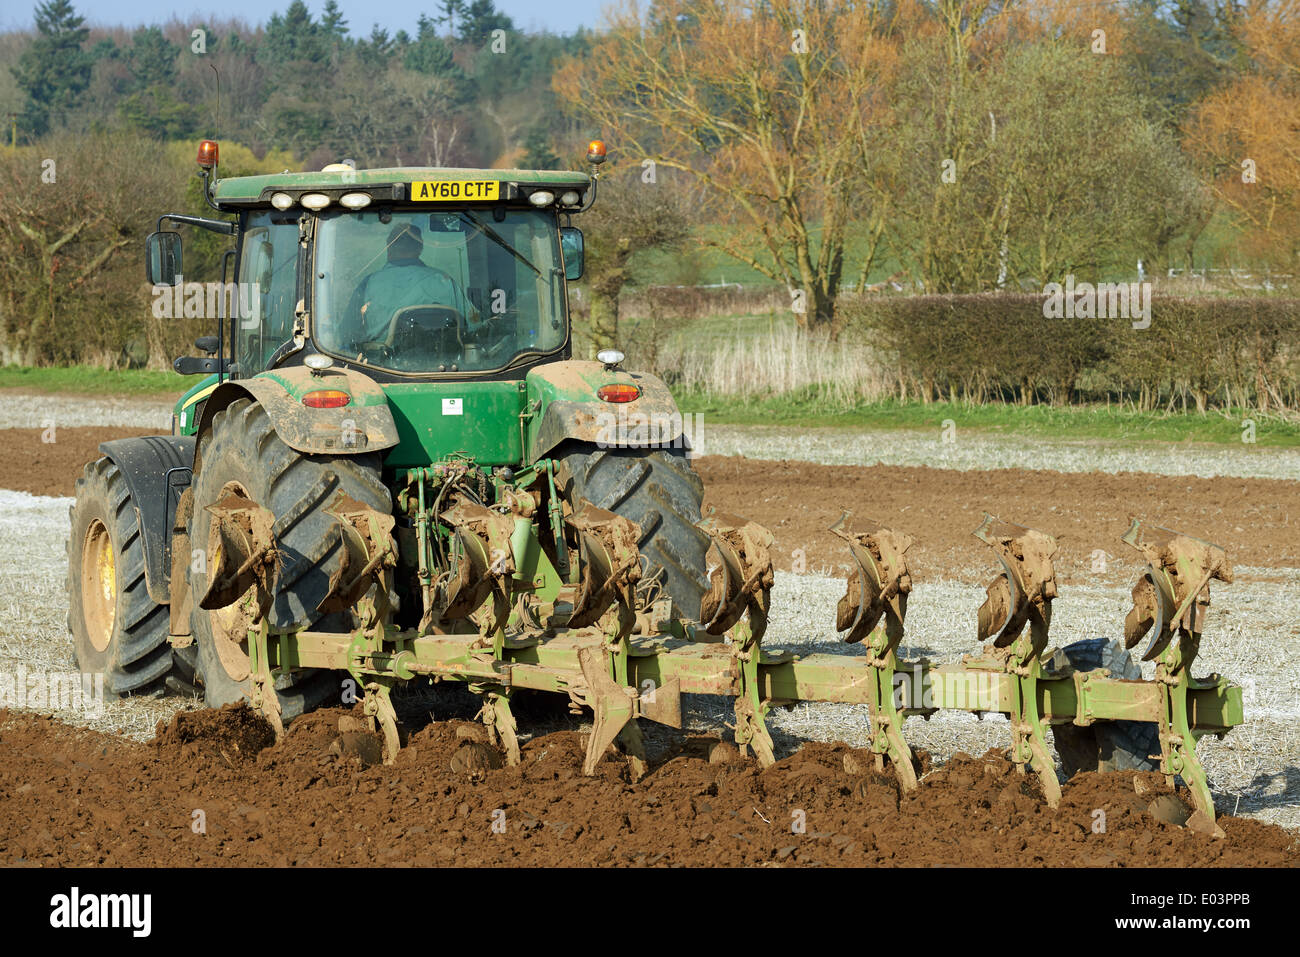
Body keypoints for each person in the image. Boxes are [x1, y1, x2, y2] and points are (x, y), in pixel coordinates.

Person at [346, 222, 475, 346]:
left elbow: (347, 334)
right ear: (420, 248)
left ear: (388, 246)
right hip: (445, 363)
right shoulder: (445, 282)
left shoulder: (368, 284)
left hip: (381, 363)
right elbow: (474, 327)